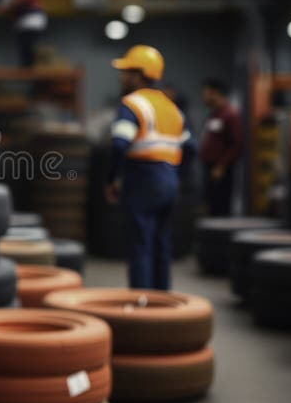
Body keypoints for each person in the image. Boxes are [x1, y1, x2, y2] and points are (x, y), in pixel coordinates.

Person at [104, 45, 195, 290]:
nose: (121, 77)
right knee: (161, 244)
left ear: (139, 75)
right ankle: (161, 301)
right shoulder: (172, 108)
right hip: (169, 182)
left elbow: (119, 143)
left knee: (140, 245)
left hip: (142, 180)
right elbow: (190, 147)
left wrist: (111, 180)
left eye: (125, 72)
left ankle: (142, 304)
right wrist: (178, 177)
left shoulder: (132, 104)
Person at [200, 78, 243, 216]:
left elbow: (237, 143)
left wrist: (222, 165)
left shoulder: (230, 115)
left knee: (221, 206)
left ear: (215, 93)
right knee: (211, 205)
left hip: (221, 169)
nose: (203, 97)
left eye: (205, 94)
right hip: (210, 167)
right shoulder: (214, 114)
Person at [7, 0, 47, 67]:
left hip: (31, 19)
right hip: (29, 21)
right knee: (25, 46)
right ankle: (28, 64)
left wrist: (10, 5)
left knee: (27, 46)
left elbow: (21, 0)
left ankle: (29, 65)